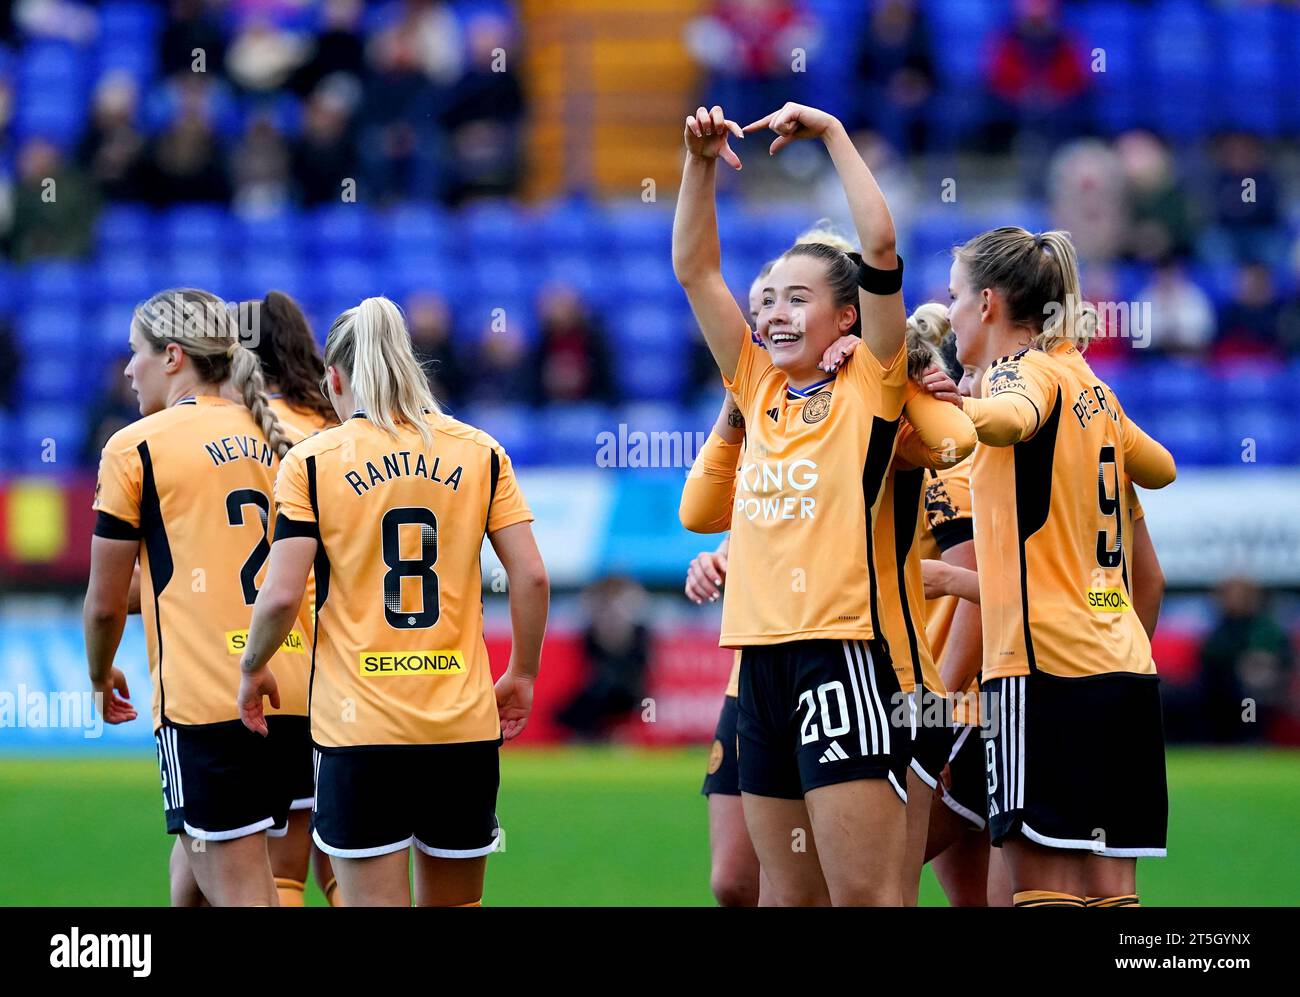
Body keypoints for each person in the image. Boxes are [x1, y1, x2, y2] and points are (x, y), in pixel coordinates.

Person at [672, 101, 966, 905]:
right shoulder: (756, 382)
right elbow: (697, 270)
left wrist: (836, 133)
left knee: (866, 896)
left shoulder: (872, 382)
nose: (770, 312)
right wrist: (698, 163)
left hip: (844, 655)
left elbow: (878, 247)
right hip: (759, 659)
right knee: (785, 897)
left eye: (795, 298)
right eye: (766, 299)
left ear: (847, 315)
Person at [235, 297, 549, 907]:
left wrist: (253, 668)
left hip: (360, 729)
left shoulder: (312, 461)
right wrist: (524, 673)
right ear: (411, 366)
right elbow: (532, 577)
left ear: (333, 379)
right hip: (461, 726)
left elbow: (279, 595)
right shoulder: (479, 451)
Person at [940, 226, 1177, 907]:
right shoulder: (1091, 386)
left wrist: (962, 406)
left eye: (954, 295)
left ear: (987, 303)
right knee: (1112, 895)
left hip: (1042, 667)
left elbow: (1013, 419)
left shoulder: (1019, 371)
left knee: (1045, 889)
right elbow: (1160, 466)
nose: (949, 310)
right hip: (1124, 667)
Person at [83, 288, 295, 906]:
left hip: (207, 699)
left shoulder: (138, 446)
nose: (127, 369)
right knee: (200, 873)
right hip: (289, 694)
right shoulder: (278, 438)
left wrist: (99, 675)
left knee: (242, 892)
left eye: (136, 352)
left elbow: (103, 601)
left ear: (172, 356)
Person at [242, 289, 340, 906]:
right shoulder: (334, 430)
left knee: (276, 865)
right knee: (349, 856)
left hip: (260, 664)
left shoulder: (228, 429)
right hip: (337, 666)